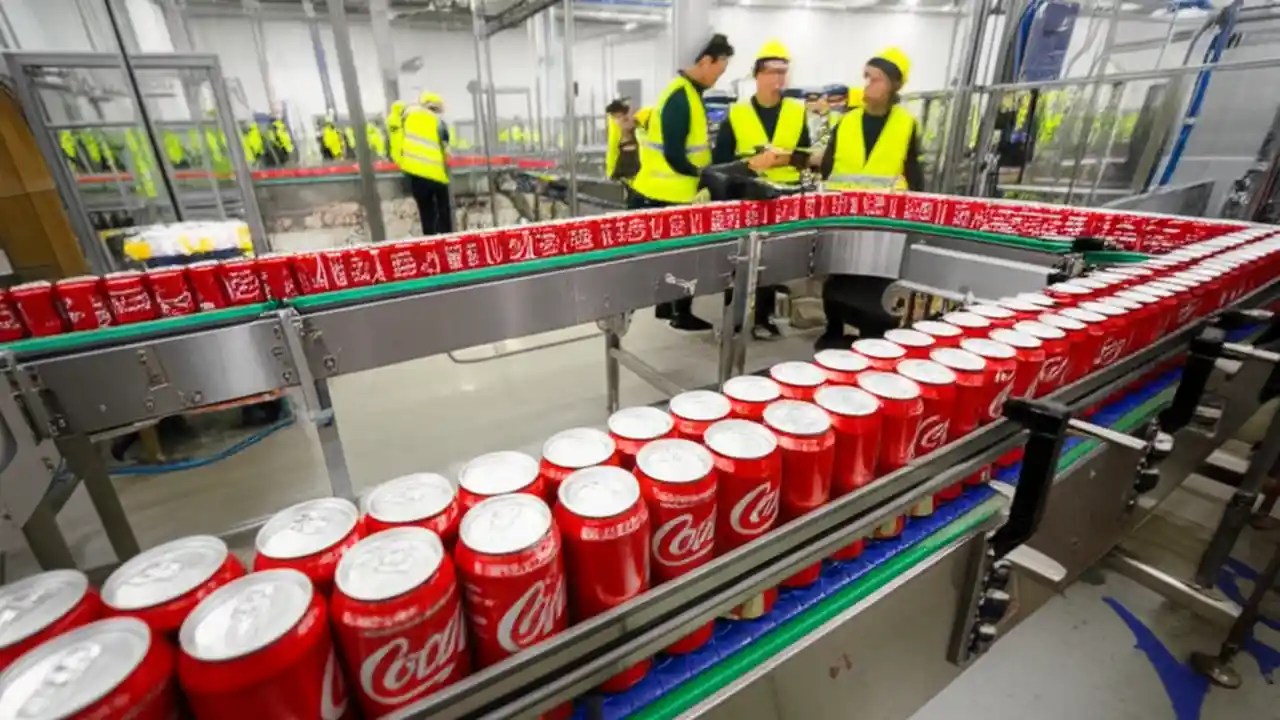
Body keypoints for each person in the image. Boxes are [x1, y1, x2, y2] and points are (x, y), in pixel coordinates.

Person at [817, 47, 924, 350]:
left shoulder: (905, 124)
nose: (867, 85)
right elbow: (828, 166)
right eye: (866, 77)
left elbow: (913, 170)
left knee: (876, 281)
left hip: (884, 220)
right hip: (844, 216)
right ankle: (833, 329)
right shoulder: (847, 122)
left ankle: (871, 337)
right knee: (839, 277)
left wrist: (915, 215)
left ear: (893, 85)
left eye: (875, 79)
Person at [631, 33, 734, 332]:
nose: (719, 75)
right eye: (720, 68)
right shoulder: (680, 97)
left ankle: (667, 308)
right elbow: (675, 154)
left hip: (669, 191)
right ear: (705, 61)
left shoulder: (687, 92)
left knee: (673, 258)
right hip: (667, 193)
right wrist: (705, 176)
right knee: (685, 260)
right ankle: (680, 314)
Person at [712, 38, 810, 340]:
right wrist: (752, 164)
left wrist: (788, 158)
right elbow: (720, 164)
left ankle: (764, 318)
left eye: (784, 72)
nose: (779, 78)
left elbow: (806, 154)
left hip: (783, 195)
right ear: (757, 75)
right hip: (747, 194)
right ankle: (735, 318)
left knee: (772, 261)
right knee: (739, 260)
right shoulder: (738, 114)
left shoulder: (796, 111)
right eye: (772, 71)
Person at [396, 91, 454, 236]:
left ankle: (430, 242)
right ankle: (447, 240)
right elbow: (446, 148)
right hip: (436, 174)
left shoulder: (407, 118)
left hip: (415, 174)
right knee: (443, 212)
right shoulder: (438, 121)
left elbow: (398, 143)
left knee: (426, 211)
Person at [605, 98, 641, 184]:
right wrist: (610, 172)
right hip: (623, 178)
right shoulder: (616, 135)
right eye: (615, 118)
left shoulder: (641, 134)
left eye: (621, 117)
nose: (619, 121)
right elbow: (612, 149)